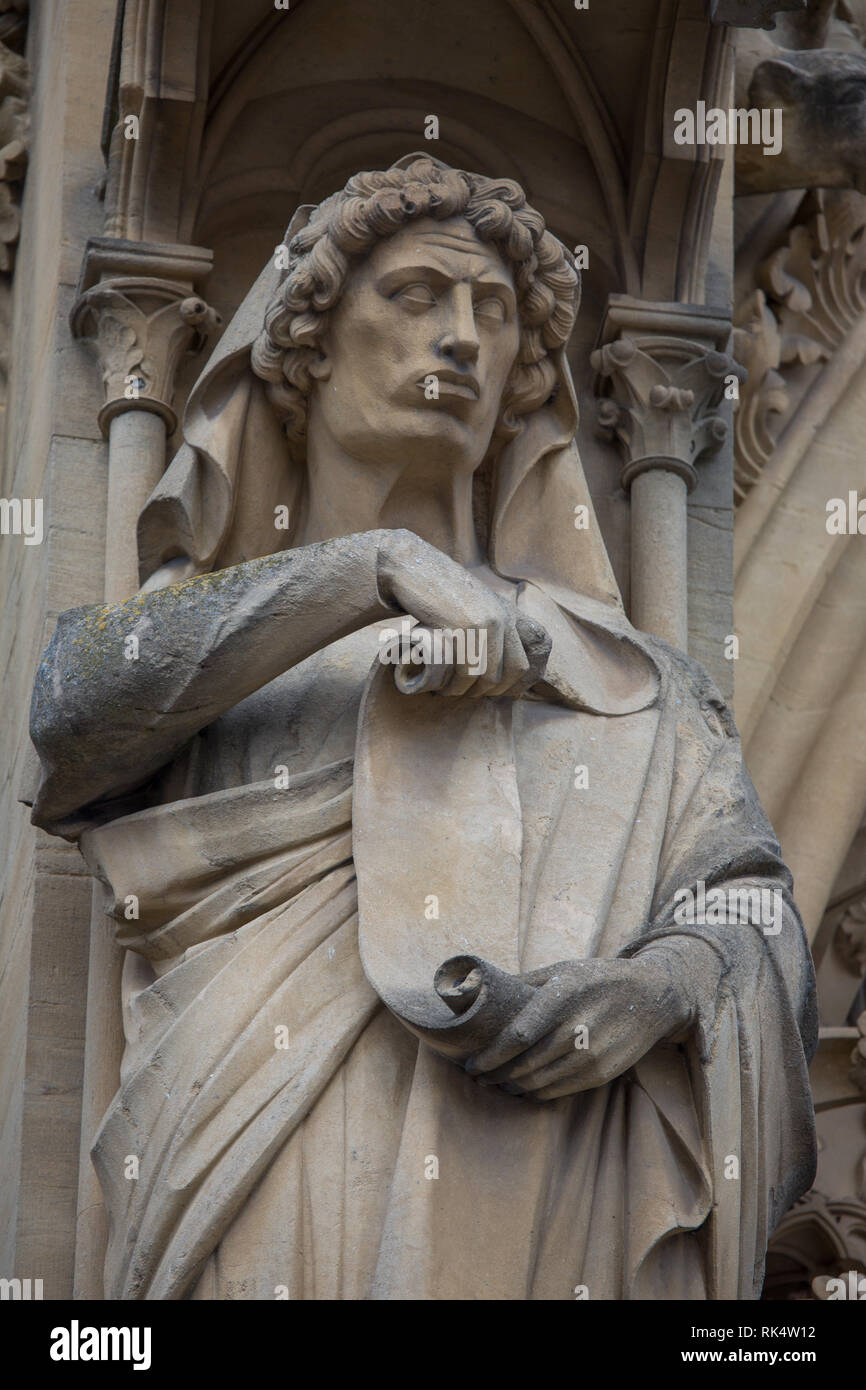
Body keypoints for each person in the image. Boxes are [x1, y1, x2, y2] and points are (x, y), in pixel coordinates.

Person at [30, 156, 816, 1300]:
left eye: (492, 314)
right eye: (412, 297)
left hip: (551, 1181)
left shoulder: (632, 680)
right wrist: (374, 567)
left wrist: (661, 989)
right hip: (257, 1156)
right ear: (303, 345)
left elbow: (749, 904)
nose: (460, 339)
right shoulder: (222, 646)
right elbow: (69, 710)